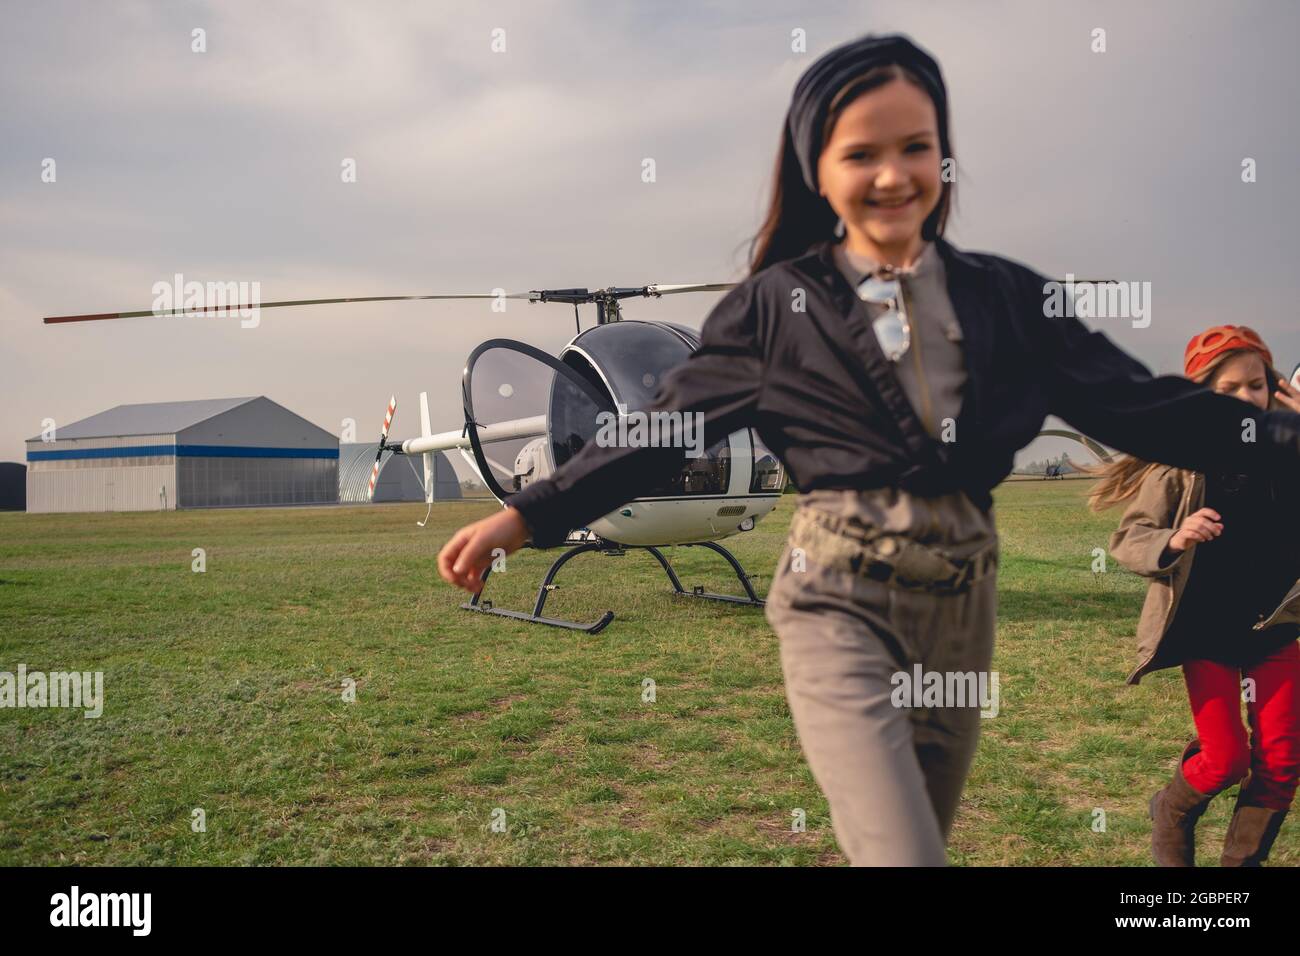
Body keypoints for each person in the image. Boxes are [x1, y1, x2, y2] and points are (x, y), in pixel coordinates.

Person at [437, 33, 1300, 865]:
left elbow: (1149, 408)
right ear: (818, 169)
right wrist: (527, 513)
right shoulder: (776, 308)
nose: (893, 174)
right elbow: (663, 426)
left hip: (959, 608)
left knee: (918, 832)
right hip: (837, 600)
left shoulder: (1005, 298)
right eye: (861, 153)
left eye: (917, 146)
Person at [1091, 326, 1300, 866]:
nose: (1245, 399)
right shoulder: (1176, 463)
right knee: (1227, 758)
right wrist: (1175, 538)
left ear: (1274, 387)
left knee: (1280, 762)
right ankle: (1171, 811)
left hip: (1278, 628)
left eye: (1256, 385)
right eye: (1227, 388)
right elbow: (1129, 539)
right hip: (1206, 628)